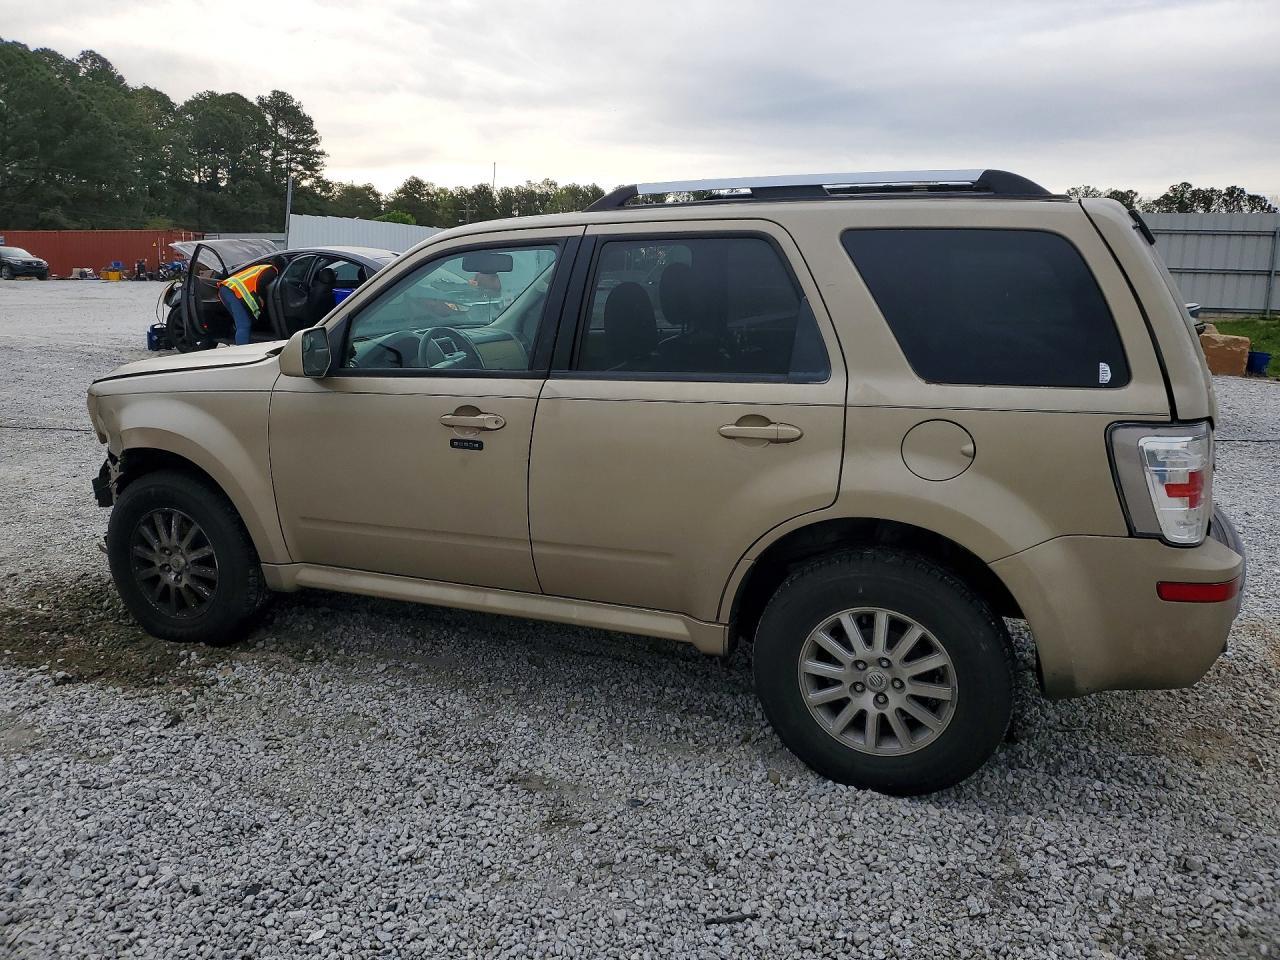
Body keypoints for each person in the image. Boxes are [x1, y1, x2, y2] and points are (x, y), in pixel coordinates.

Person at [217, 263, 278, 345]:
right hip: (234, 291)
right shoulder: (272, 271)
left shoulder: (262, 268)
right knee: (244, 325)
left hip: (228, 289)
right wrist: (261, 299)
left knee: (242, 323)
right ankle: (242, 353)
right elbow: (261, 284)